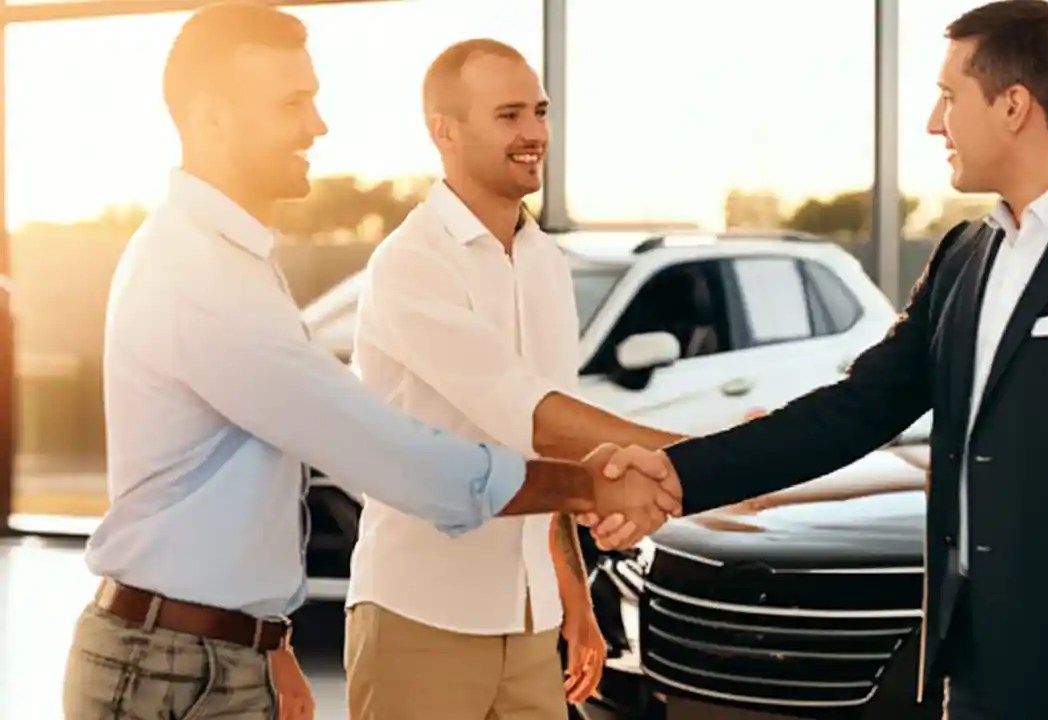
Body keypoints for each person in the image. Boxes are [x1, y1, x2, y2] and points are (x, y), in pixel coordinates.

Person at [588, 1, 1048, 718]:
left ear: (1014, 105)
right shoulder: (964, 256)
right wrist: (678, 476)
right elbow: (854, 409)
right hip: (972, 673)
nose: (935, 122)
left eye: (948, 96)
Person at [60, 5, 675, 720]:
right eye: (293, 102)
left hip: (209, 656)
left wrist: (272, 642)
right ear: (212, 118)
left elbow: (249, 484)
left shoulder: (233, 261)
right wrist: (599, 484)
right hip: (172, 669)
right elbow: (387, 453)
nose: (317, 125)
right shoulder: (197, 274)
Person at [343, 39, 684, 720]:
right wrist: (694, 456)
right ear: (444, 131)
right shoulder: (411, 263)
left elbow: (552, 451)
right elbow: (533, 416)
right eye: (507, 115)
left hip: (529, 625)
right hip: (421, 617)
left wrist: (573, 602)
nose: (533, 134)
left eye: (539, 111)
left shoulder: (545, 263)